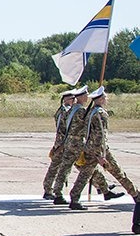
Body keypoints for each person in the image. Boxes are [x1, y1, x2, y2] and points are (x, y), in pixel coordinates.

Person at [68, 87, 135, 219]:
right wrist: (101, 155)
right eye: (105, 97)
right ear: (100, 99)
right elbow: (100, 136)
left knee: (85, 174)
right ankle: (136, 195)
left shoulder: (92, 112)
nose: (107, 99)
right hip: (99, 149)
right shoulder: (100, 113)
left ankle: (75, 197)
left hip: (89, 148)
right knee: (118, 173)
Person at [42, 89, 77, 199]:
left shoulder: (62, 110)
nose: (74, 101)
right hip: (63, 143)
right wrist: (62, 145)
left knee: (57, 167)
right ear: (67, 99)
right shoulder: (65, 111)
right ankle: (48, 189)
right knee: (56, 167)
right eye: (73, 99)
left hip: (62, 142)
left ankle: (102, 186)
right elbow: (64, 129)